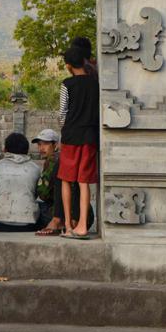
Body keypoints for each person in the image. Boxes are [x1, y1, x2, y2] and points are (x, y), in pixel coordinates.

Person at [58, 46, 99, 239]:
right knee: (84, 182)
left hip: (71, 136)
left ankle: (68, 225)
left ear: (68, 65)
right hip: (89, 136)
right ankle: (82, 225)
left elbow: (62, 113)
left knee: (66, 179)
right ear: (84, 61)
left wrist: (63, 128)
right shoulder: (96, 83)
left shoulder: (67, 84)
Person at [0, 132, 42, 232]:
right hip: (28, 225)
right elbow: (35, 194)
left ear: (5, 149)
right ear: (27, 150)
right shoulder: (35, 169)